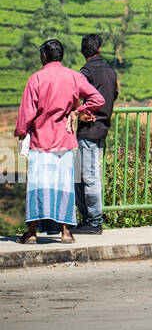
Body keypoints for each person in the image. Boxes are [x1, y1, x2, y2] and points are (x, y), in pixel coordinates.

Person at [15, 39, 104, 244]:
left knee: (38, 186)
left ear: (44, 56)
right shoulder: (74, 76)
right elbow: (97, 99)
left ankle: (32, 233)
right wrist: (78, 111)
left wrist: (22, 132)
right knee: (64, 186)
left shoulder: (36, 79)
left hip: (41, 141)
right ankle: (66, 232)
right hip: (65, 141)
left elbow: (28, 112)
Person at [73, 34, 118, 235]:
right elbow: (114, 94)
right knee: (83, 175)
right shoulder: (110, 70)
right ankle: (89, 219)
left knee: (87, 176)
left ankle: (94, 221)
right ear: (99, 49)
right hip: (103, 126)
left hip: (88, 129)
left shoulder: (86, 72)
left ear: (84, 52)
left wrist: (79, 112)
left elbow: (75, 96)